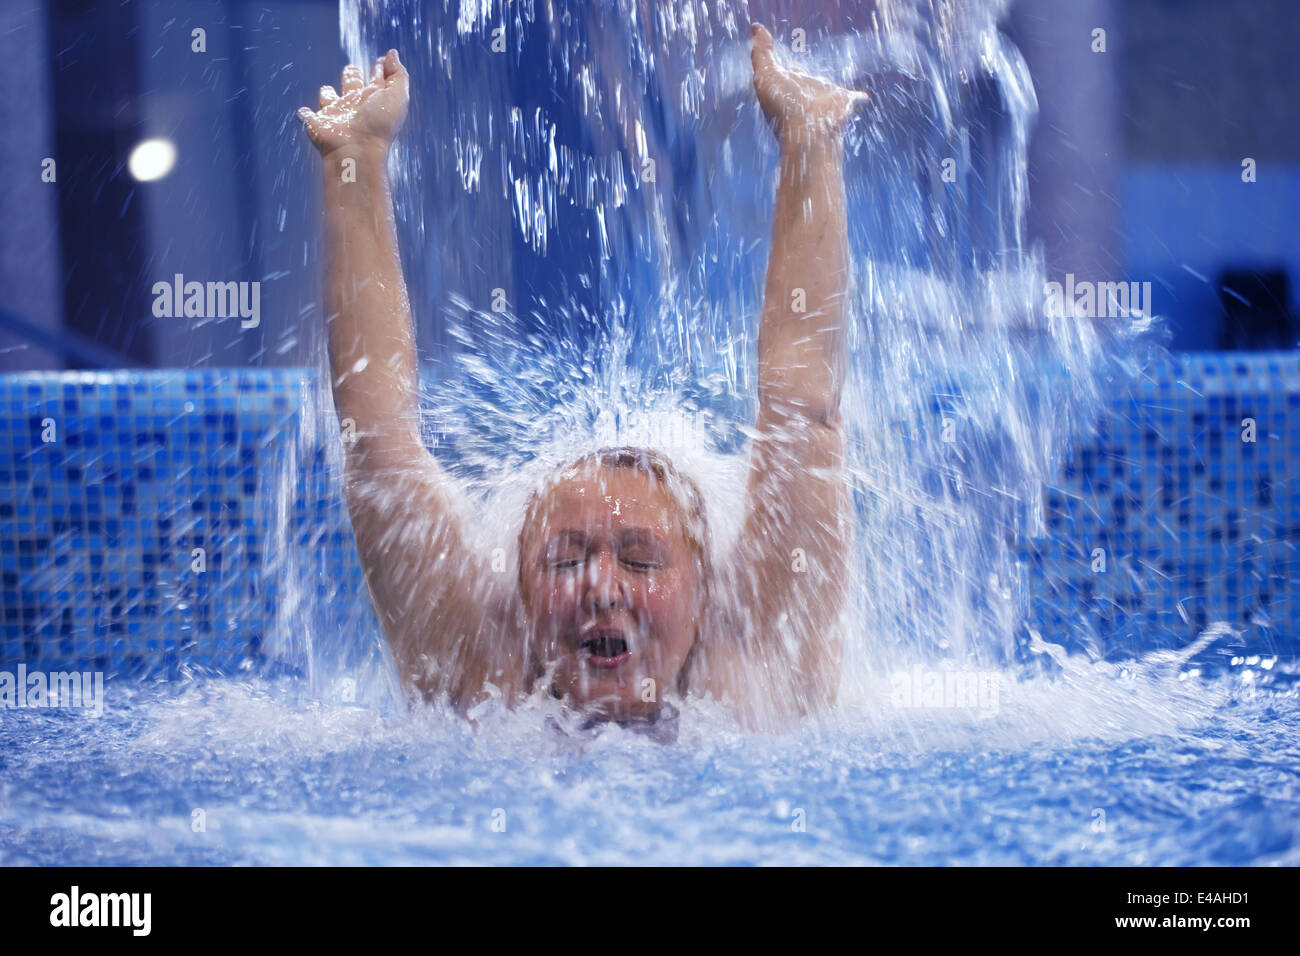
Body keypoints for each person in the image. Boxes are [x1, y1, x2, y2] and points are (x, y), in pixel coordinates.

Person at [298, 24, 862, 731]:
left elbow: (804, 409)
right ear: (521, 598)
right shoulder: (481, 672)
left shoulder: (759, 665)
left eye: (641, 561)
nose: (600, 587)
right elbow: (377, 441)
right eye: (564, 563)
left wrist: (811, 144)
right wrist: (353, 160)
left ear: (705, 591)